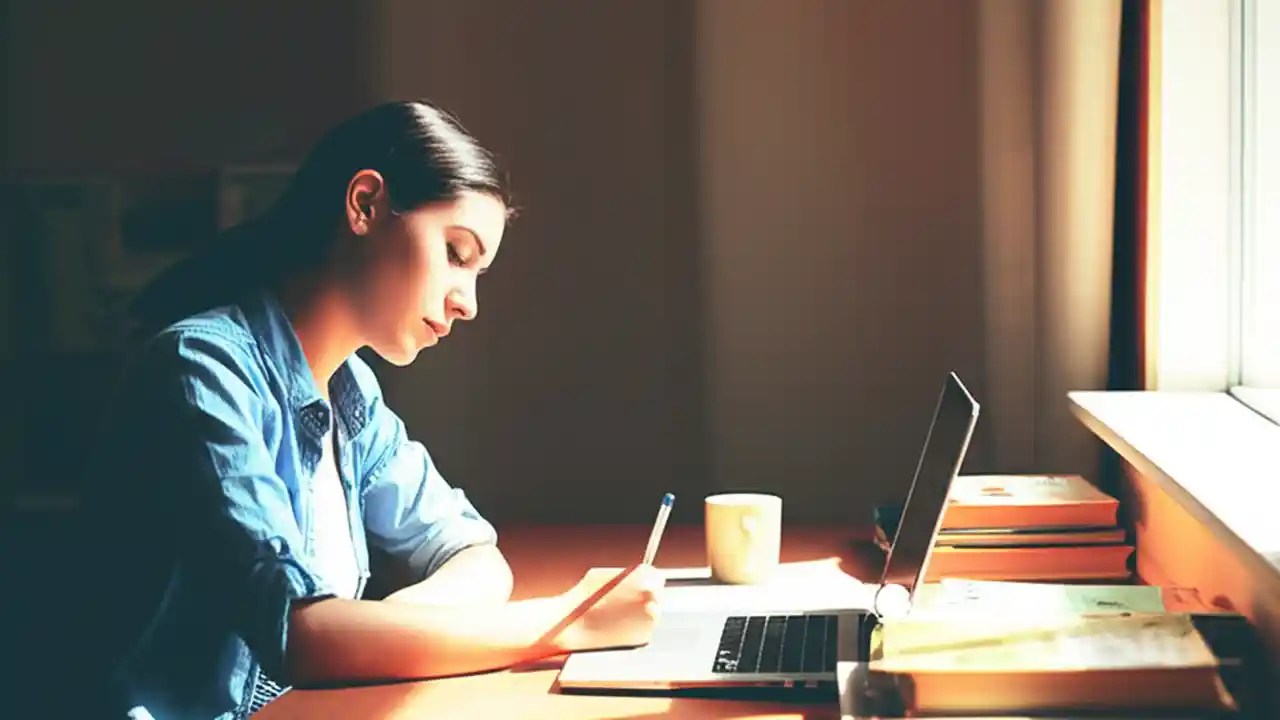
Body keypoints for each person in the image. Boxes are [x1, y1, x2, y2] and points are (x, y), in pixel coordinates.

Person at [86, 101, 663, 720]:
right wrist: (565, 623)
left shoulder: (349, 388)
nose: (467, 303)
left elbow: (474, 557)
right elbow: (300, 638)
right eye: (456, 253)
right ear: (364, 204)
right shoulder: (202, 369)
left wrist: (363, 636)